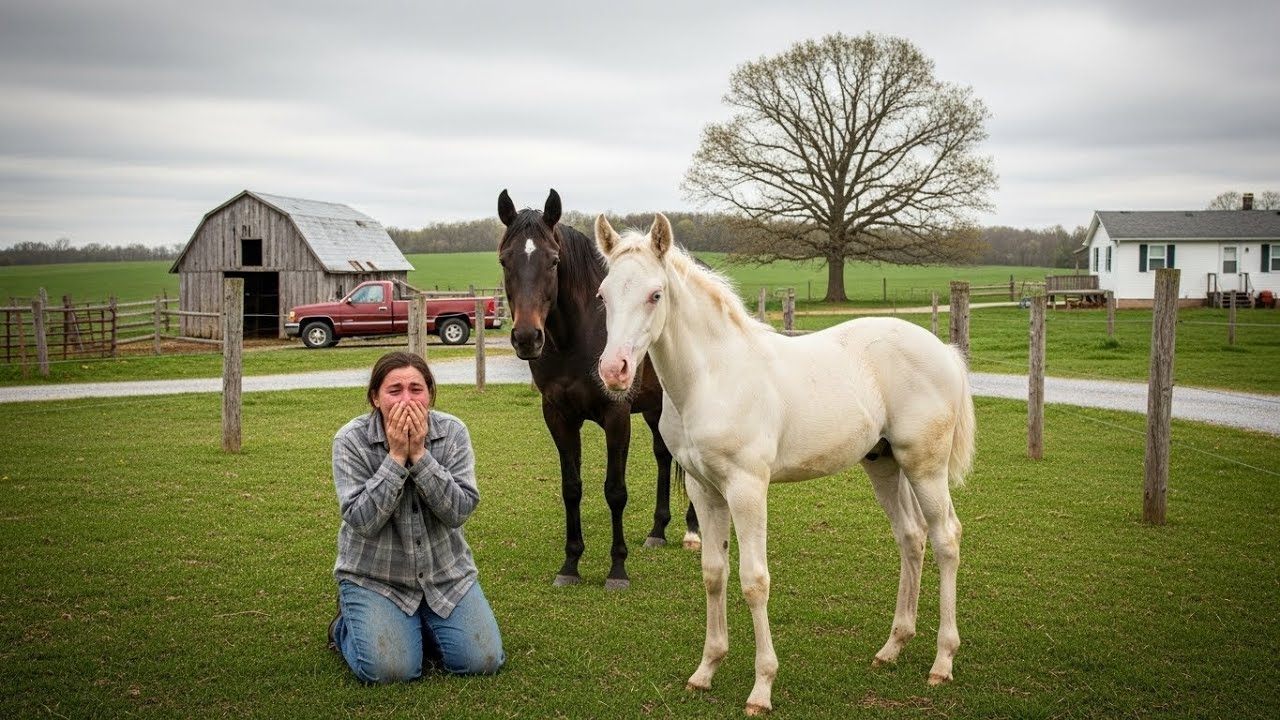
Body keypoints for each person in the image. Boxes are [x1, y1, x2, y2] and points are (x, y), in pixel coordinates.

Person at [328, 350, 505, 682]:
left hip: (446, 575)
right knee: (392, 671)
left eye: (416, 389)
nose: (406, 399)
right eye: (394, 391)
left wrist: (420, 456)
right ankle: (344, 627)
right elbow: (362, 521)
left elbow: (459, 511)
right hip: (376, 578)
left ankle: (415, 627)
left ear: (430, 394)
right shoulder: (350, 440)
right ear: (375, 398)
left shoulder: (453, 432)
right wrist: (396, 457)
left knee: (483, 661)